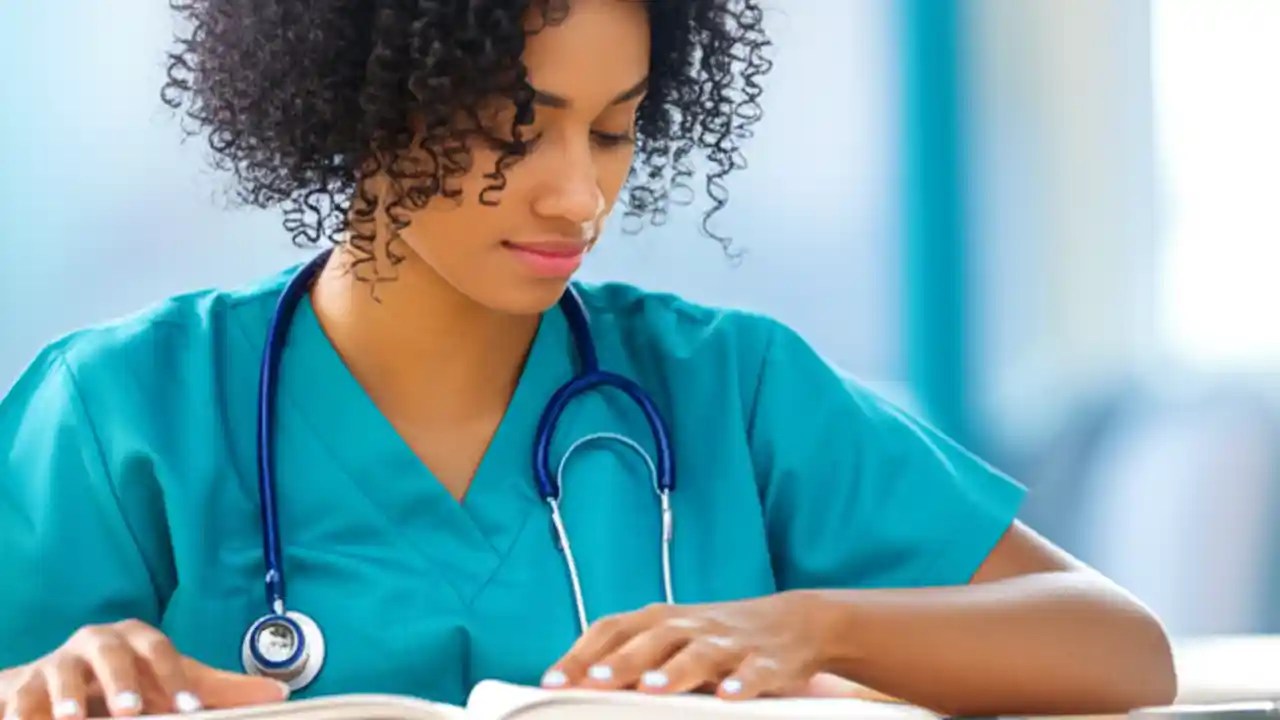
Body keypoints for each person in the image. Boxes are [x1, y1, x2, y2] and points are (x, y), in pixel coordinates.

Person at [0, 1, 1176, 718]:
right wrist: (60, 683)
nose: (580, 193)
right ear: (360, 103)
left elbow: (1117, 647)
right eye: (516, 129)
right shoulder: (119, 412)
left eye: (612, 129)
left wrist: (809, 629)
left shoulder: (730, 389)